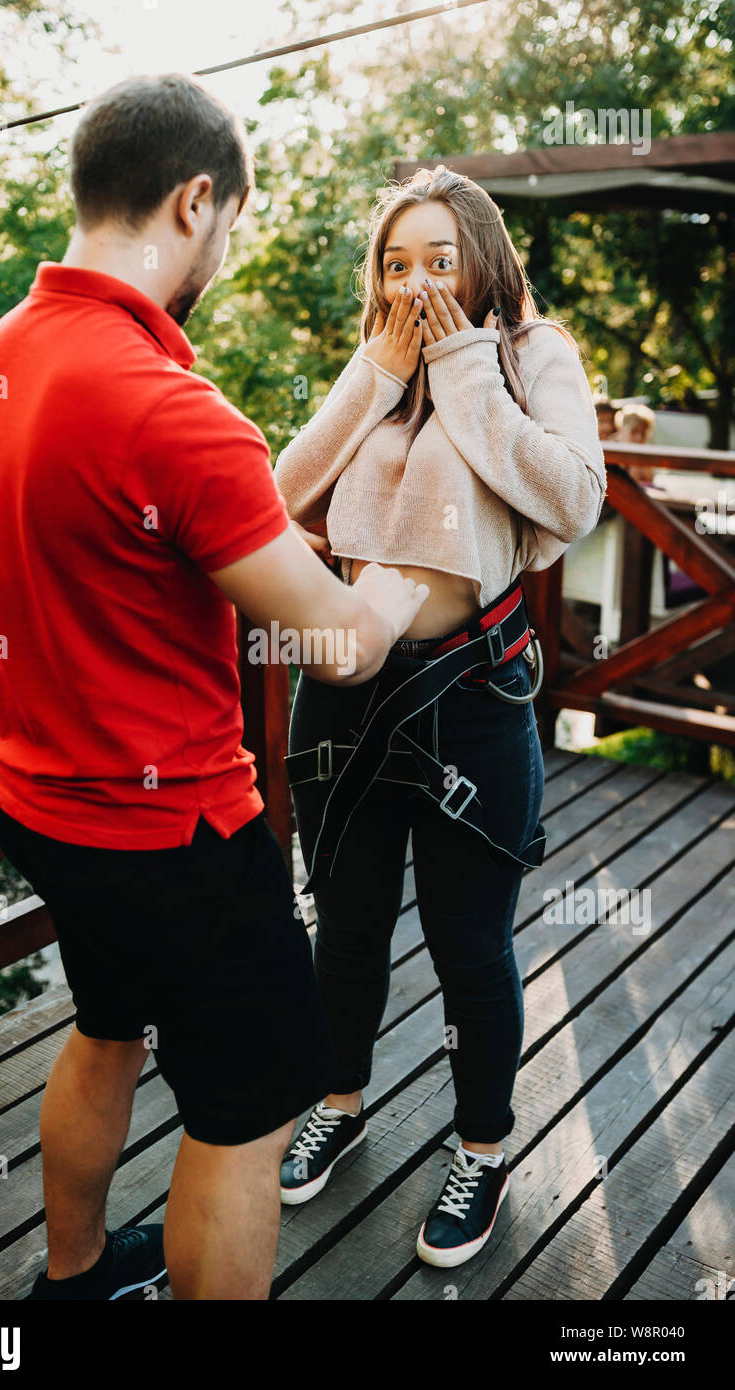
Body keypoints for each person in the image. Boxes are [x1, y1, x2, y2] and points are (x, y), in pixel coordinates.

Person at [0, 72, 429, 1301]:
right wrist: (405, 579)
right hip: (180, 841)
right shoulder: (169, 406)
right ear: (195, 198)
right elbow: (341, 647)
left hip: (39, 809)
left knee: (104, 1026)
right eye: (235, 221)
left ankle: (75, 1273)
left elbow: (133, 551)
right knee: (249, 1116)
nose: (229, 245)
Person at [272, 165, 606, 1269]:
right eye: (394, 261)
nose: (414, 281)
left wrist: (464, 370)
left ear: (480, 257)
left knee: (470, 945)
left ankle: (481, 1147)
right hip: (344, 691)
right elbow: (281, 494)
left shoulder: (530, 350)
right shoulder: (375, 358)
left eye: (437, 258)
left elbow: (568, 495)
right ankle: (337, 1096)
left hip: (470, 693)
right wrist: (379, 371)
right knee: (346, 925)